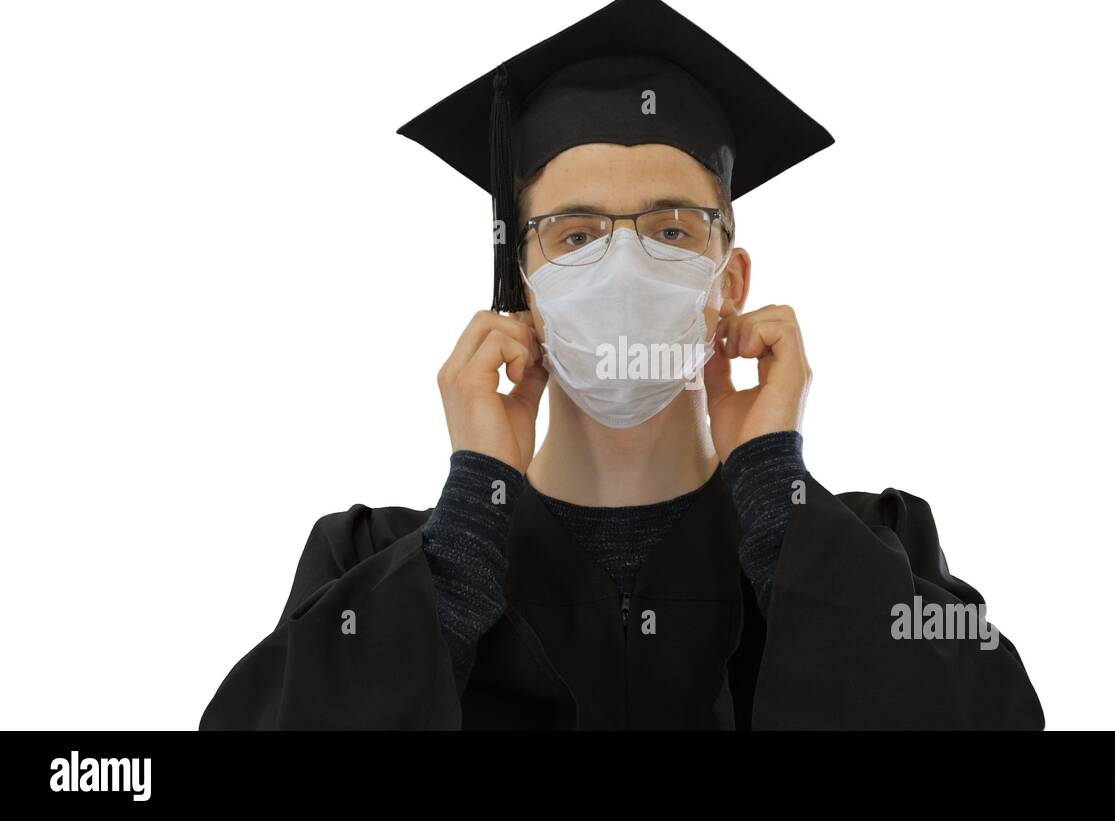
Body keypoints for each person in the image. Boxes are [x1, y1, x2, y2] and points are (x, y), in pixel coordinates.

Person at [199, 0, 1045, 730]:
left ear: (730, 282)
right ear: (521, 288)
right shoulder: (380, 559)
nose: (625, 267)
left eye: (672, 229)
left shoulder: (864, 549)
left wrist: (778, 505)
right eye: (575, 234)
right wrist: (463, 538)